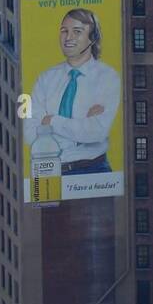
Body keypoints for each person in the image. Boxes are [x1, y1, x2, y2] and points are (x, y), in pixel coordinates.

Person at [23, 9, 121, 182]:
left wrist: (51, 121)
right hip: (49, 172)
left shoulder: (107, 77)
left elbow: (96, 132)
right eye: (64, 31)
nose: (68, 38)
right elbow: (29, 132)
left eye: (77, 32)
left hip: (92, 173)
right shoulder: (46, 78)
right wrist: (79, 129)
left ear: (92, 38)